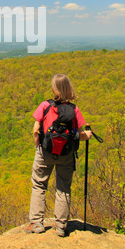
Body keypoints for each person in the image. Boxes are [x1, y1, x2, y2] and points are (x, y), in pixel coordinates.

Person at [25, 73, 92, 237]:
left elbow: (35, 131)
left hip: (45, 151)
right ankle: (61, 226)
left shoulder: (45, 106)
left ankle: (36, 223)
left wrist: (39, 147)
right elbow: (82, 135)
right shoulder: (74, 109)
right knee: (63, 188)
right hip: (66, 155)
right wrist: (88, 135)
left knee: (39, 185)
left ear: (54, 89)